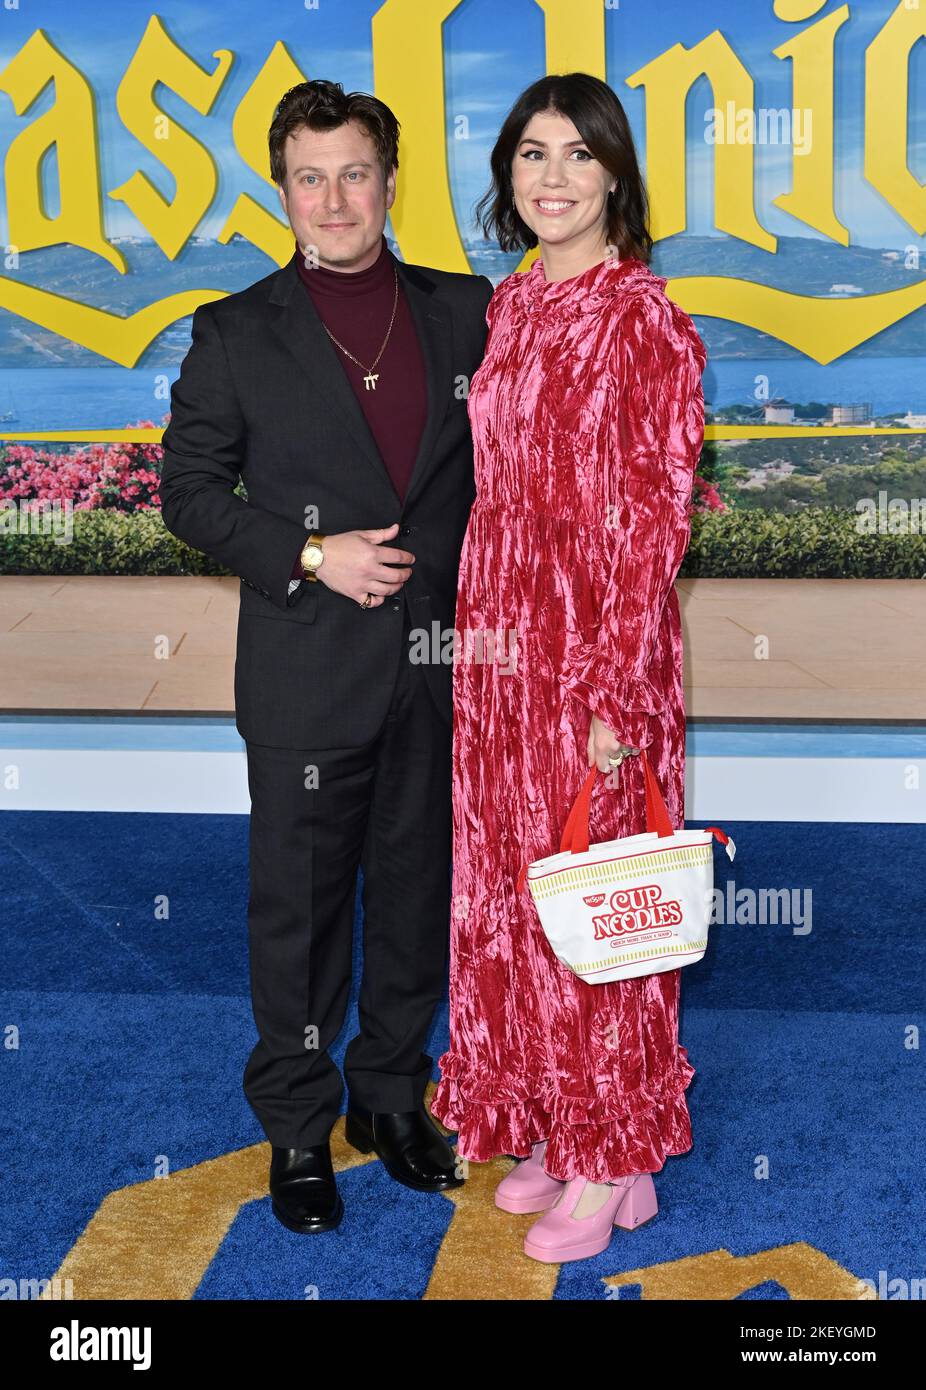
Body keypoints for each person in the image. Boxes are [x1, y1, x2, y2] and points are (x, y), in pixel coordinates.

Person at [159, 80, 493, 1234]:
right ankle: (298, 1124)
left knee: (413, 891)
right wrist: (309, 553)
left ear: (391, 181)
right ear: (282, 188)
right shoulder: (236, 329)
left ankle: (390, 1097)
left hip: (442, 662)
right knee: (297, 913)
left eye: (355, 172)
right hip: (306, 669)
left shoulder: (466, 314)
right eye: (310, 175)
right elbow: (188, 495)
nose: (334, 197)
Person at [428, 72, 707, 1265]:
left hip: (596, 648)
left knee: (608, 897)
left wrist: (613, 690)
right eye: (529, 154)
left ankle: (617, 1153)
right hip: (499, 647)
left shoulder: (639, 316)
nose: (550, 177)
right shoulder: (511, 307)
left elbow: (651, 517)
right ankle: (559, 1115)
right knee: (518, 896)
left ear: (613, 176)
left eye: (575, 155)